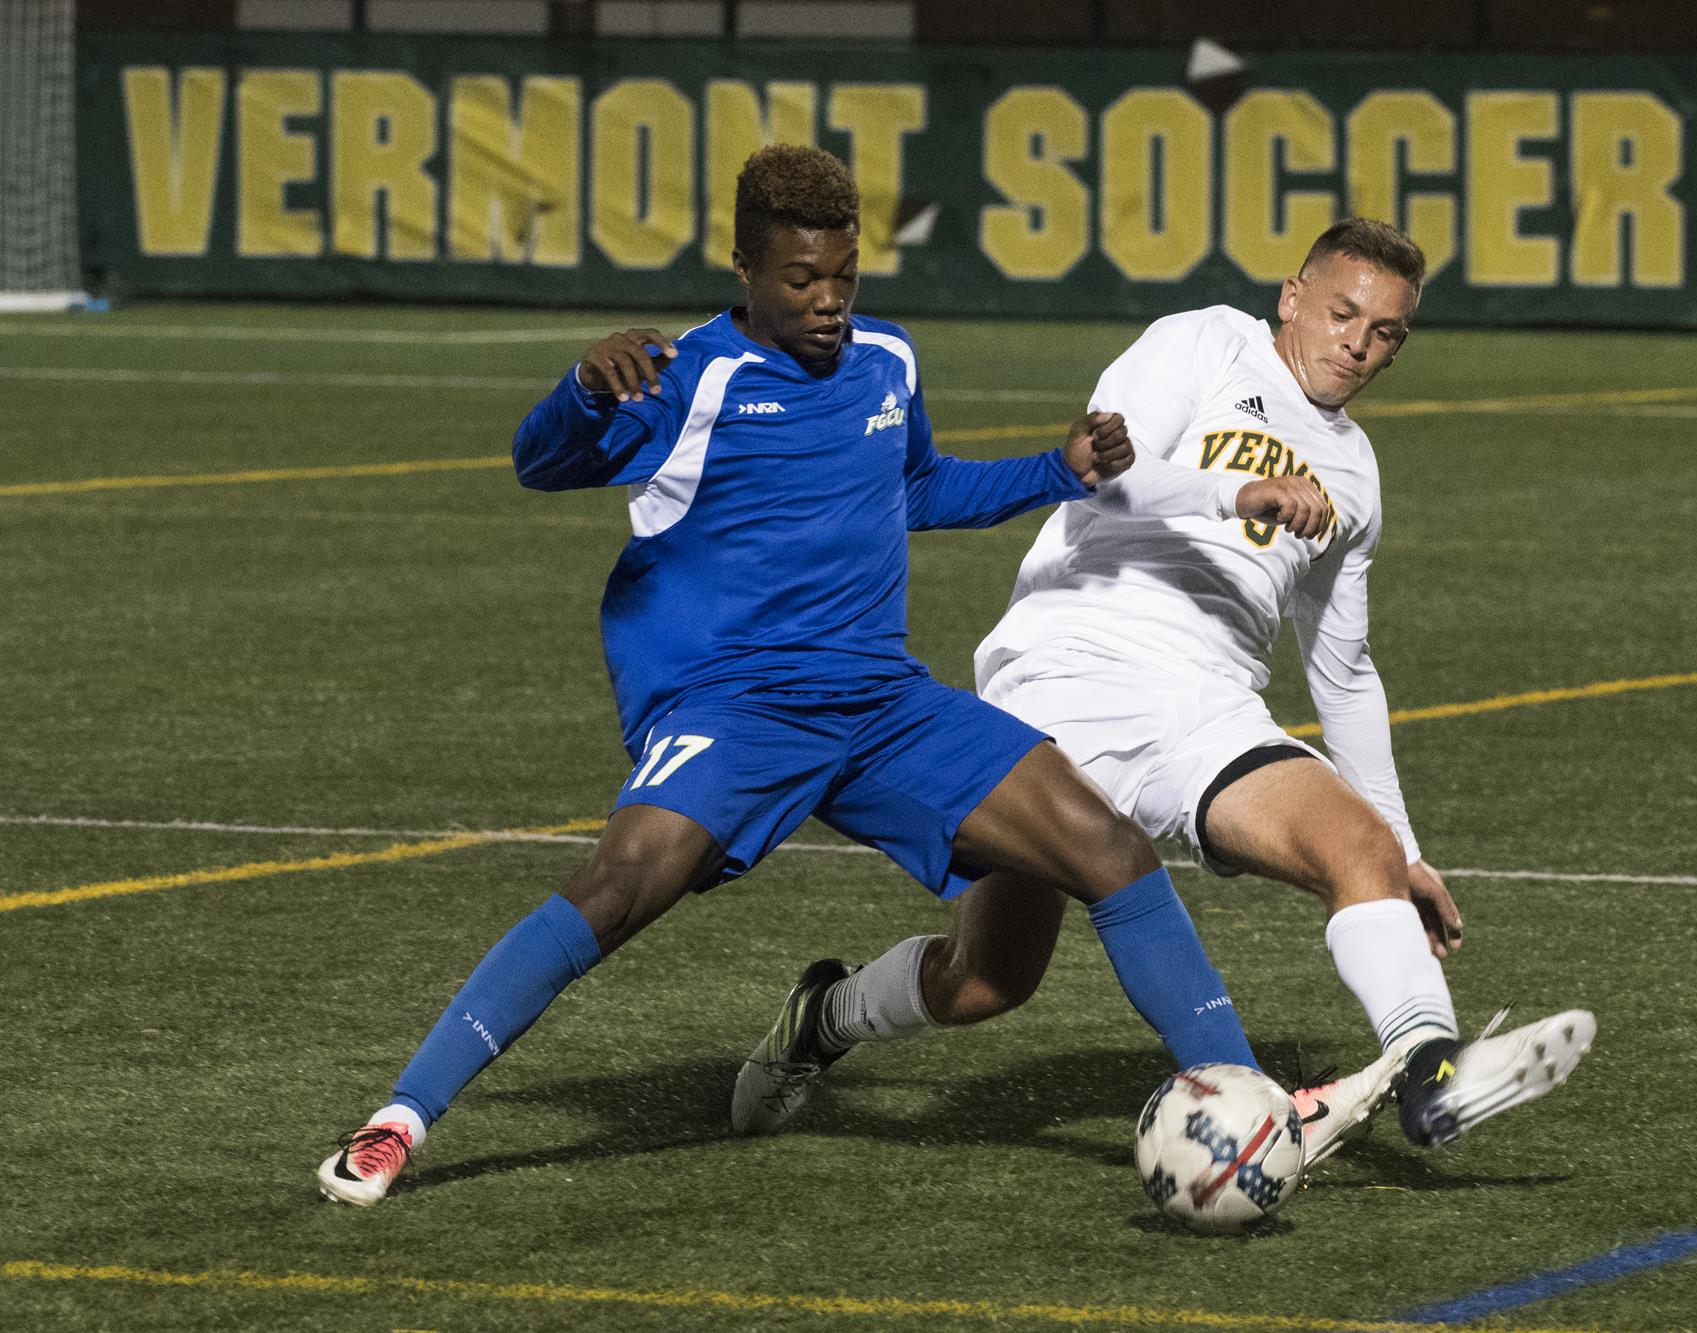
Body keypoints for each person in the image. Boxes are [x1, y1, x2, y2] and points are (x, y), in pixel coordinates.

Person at [316, 145, 1339, 1207]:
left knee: (1106, 846)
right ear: (745, 270)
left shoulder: (886, 359)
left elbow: (921, 487)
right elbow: (541, 462)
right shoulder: (685, 377)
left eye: (843, 276)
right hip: (736, 704)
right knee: (617, 890)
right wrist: (580, 389)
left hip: (883, 702)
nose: (828, 301)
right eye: (801, 280)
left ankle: (1242, 1096)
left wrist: (1058, 471)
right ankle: (399, 1119)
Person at [737, 218, 1594, 1159]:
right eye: (1342, 313)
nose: (1356, 343)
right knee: (986, 980)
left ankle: (1433, 1074)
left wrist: (1405, 849)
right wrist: (1239, 494)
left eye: (1385, 331)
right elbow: (1107, 479)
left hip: (1208, 706)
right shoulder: (1202, 341)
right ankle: (826, 1016)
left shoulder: (1355, 472)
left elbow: (1343, 668)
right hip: (1066, 672)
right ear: (1292, 297)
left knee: (1359, 847)